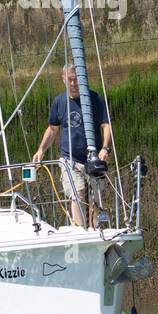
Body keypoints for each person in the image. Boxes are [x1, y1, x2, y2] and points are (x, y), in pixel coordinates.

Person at [32, 65, 112, 227]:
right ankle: (80, 229)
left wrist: (105, 148)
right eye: (70, 79)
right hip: (70, 159)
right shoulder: (59, 102)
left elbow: (106, 125)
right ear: (63, 80)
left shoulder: (95, 99)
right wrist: (41, 150)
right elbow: (52, 129)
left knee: (96, 198)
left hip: (93, 158)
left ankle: (96, 229)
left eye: (77, 79)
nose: (74, 83)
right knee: (78, 194)